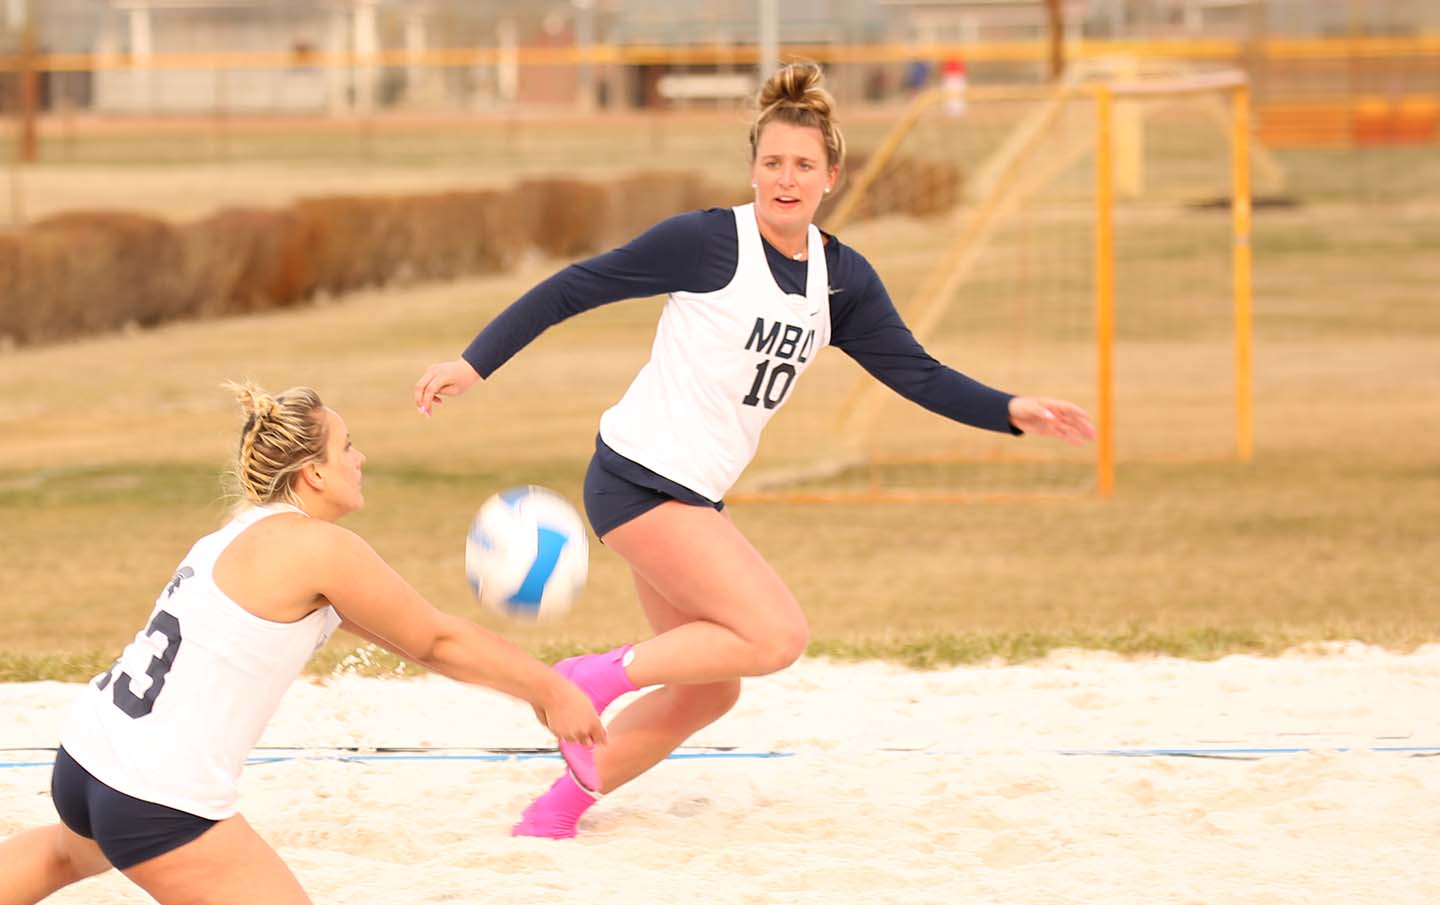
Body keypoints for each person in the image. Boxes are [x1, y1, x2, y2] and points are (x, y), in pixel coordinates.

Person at [412, 61, 1096, 840]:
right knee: (776, 636)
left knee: (710, 690)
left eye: (803, 164)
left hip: (689, 493)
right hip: (638, 480)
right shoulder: (706, 241)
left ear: (831, 177)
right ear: (752, 169)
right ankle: (589, 677)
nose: (785, 178)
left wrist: (1010, 410)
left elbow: (916, 372)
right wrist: (474, 362)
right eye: (772, 162)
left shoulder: (841, 281)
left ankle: (554, 813)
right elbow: (575, 285)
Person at [0, 382, 606, 905]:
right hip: (155, 798)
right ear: (314, 474)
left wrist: (532, 688)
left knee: (69, 853)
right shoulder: (320, 548)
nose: (361, 458)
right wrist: (550, 687)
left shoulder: (239, 531)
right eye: (347, 446)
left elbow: (417, 643)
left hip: (88, 758)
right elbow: (437, 638)